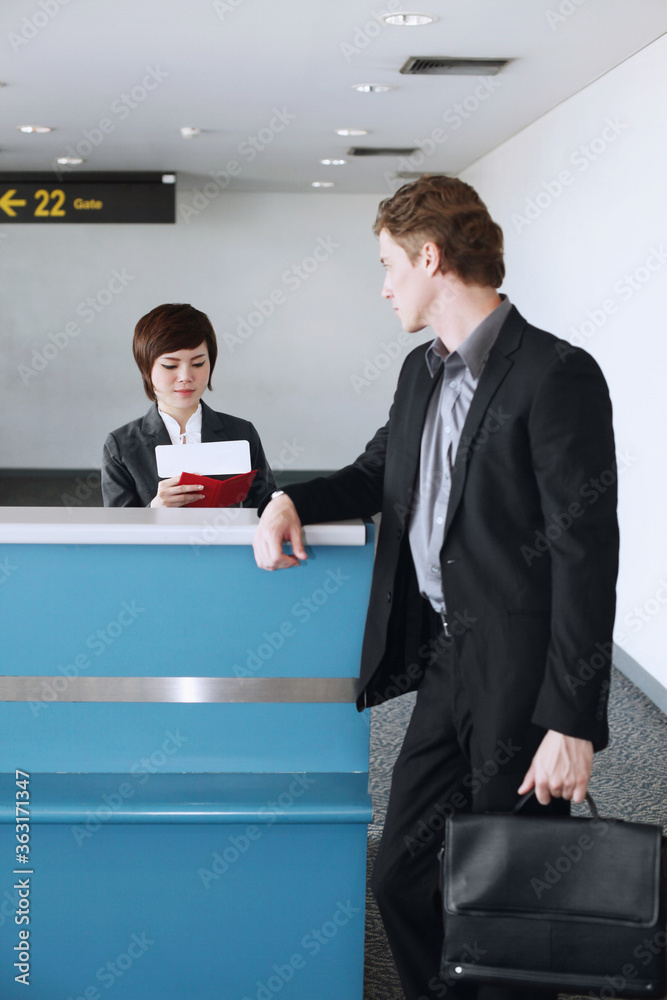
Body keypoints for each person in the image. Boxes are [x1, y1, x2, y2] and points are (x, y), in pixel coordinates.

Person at [252, 176, 619, 1000]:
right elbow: (374, 474)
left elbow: (586, 556)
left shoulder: (555, 374)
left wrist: (571, 718)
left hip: (525, 679)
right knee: (401, 876)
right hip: (450, 661)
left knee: (509, 893)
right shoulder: (423, 372)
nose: (383, 287)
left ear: (430, 256)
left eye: (388, 265)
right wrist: (288, 500)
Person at [102, 302, 275, 508]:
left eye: (198, 363)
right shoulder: (121, 445)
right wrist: (153, 510)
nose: (185, 377)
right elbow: (118, 531)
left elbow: (268, 510)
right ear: (146, 369)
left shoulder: (241, 432)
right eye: (170, 365)